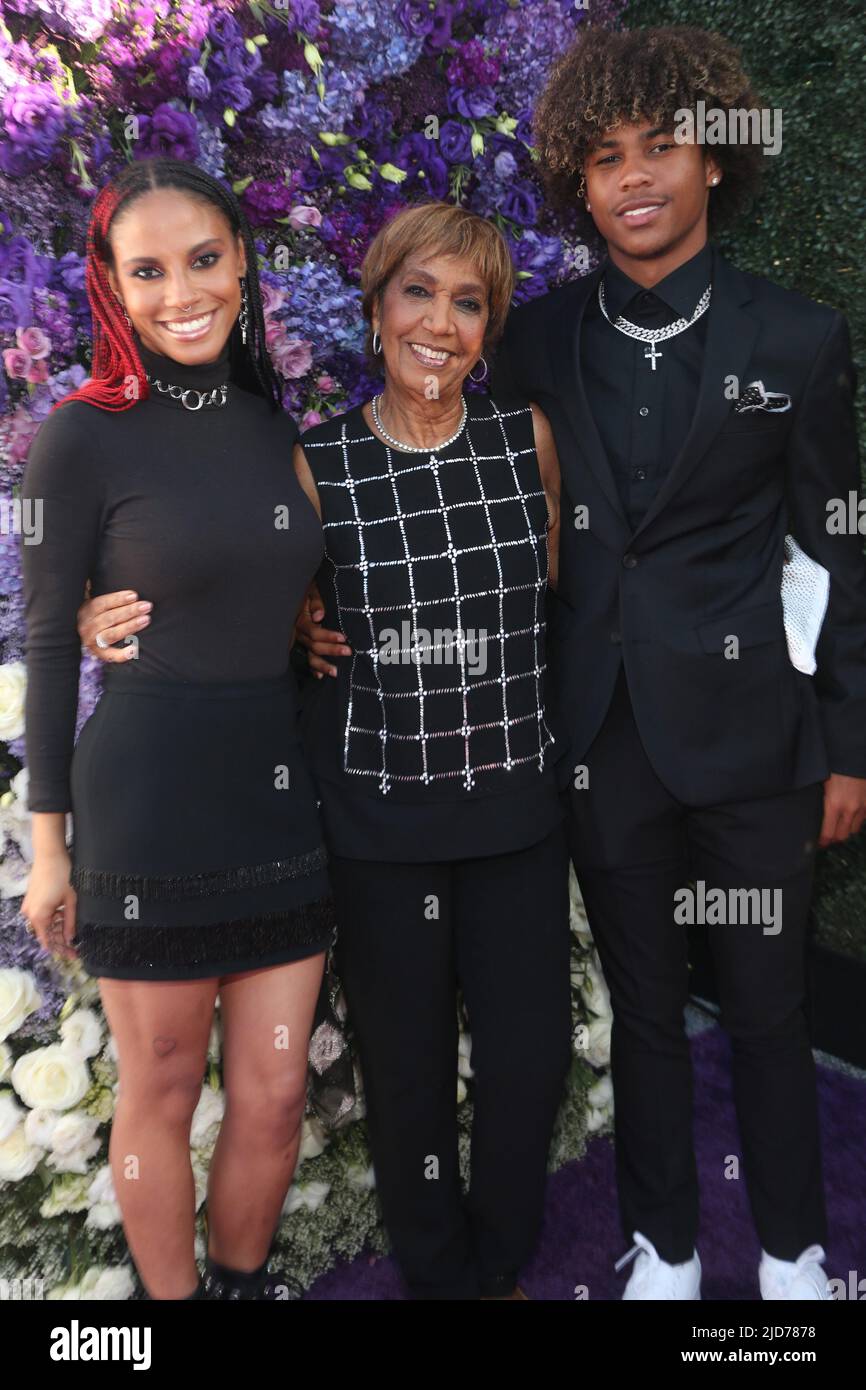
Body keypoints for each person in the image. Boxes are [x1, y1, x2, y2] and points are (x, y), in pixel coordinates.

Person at [77, 200, 575, 1301]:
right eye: (417, 292)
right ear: (376, 306)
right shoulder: (314, 467)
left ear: (488, 327)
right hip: (378, 826)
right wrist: (89, 611)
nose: (438, 323)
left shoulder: (526, 440)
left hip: (514, 818)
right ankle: (443, 1276)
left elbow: (553, 595)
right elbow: (230, 600)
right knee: (405, 1078)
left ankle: (502, 1262)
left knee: (525, 1063)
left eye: (467, 301)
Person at [489, 25, 866, 1299]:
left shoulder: (798, 339)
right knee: (645, 1009)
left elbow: (835, 552)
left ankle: (793, 1251)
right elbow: (487, 521)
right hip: (597, 740)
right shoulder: (531, 342)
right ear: (576, 183)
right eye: (605, 157)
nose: (634, 176)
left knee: (767, 1011)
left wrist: (843, 744)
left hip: (755, 744)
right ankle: (661, 1243)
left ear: (714, 163)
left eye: (661, 147)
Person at [20, 157, 335, 1302]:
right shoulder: (79, 436)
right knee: (158, 1087)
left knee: (274, 1090)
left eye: (203, 260)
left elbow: (284, 587)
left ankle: (241, 1286)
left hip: (272, 791)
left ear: (242, 264)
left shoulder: (269, 424)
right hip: (145, 804)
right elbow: (51, 641)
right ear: (111, 283)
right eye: (145, 270)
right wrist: (48, 848)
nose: (180, 292)